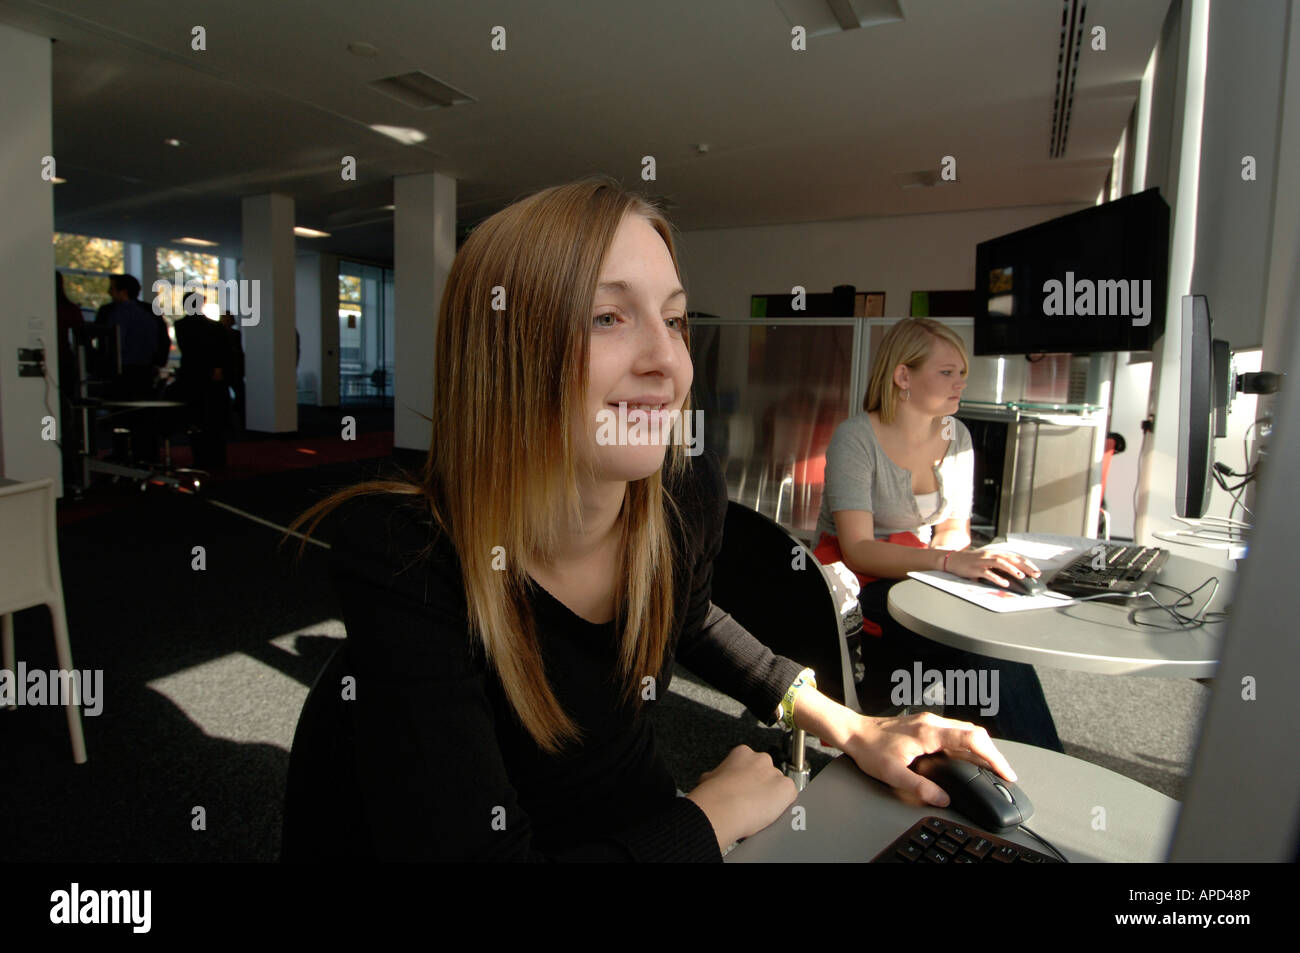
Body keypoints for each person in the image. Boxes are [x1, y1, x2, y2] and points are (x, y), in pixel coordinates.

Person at [281, 178, 1020, 862]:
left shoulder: (683, 491)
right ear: (505, 354)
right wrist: (706, 816)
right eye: (608, 316)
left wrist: (847, 723)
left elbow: (689, 618)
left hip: (630, 816)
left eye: (673, 319)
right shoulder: (404, 557)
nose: (666, 358)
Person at [814, 317, 1064, 752]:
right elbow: (857, 551)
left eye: (962, 374)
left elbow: (952, 529)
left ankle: (987, 772)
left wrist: (957, 569)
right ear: (903, 375)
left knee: (987, 640)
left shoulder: (957, 435)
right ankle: (1039, 778)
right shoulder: (855, 439)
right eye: (947, 372)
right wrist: (946, 564)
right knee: (981, 655)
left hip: (920, 574)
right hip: (861, 586)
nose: (960, 384)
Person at [174, 312, 232, 469]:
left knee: (196, 420)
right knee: (214, 420)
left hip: (192, 377)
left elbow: (186, 348)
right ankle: (218, 459)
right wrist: (218, 368)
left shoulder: (181, 326)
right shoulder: (215, 326)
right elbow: (224, 350)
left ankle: (200, 458)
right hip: (211, 377)